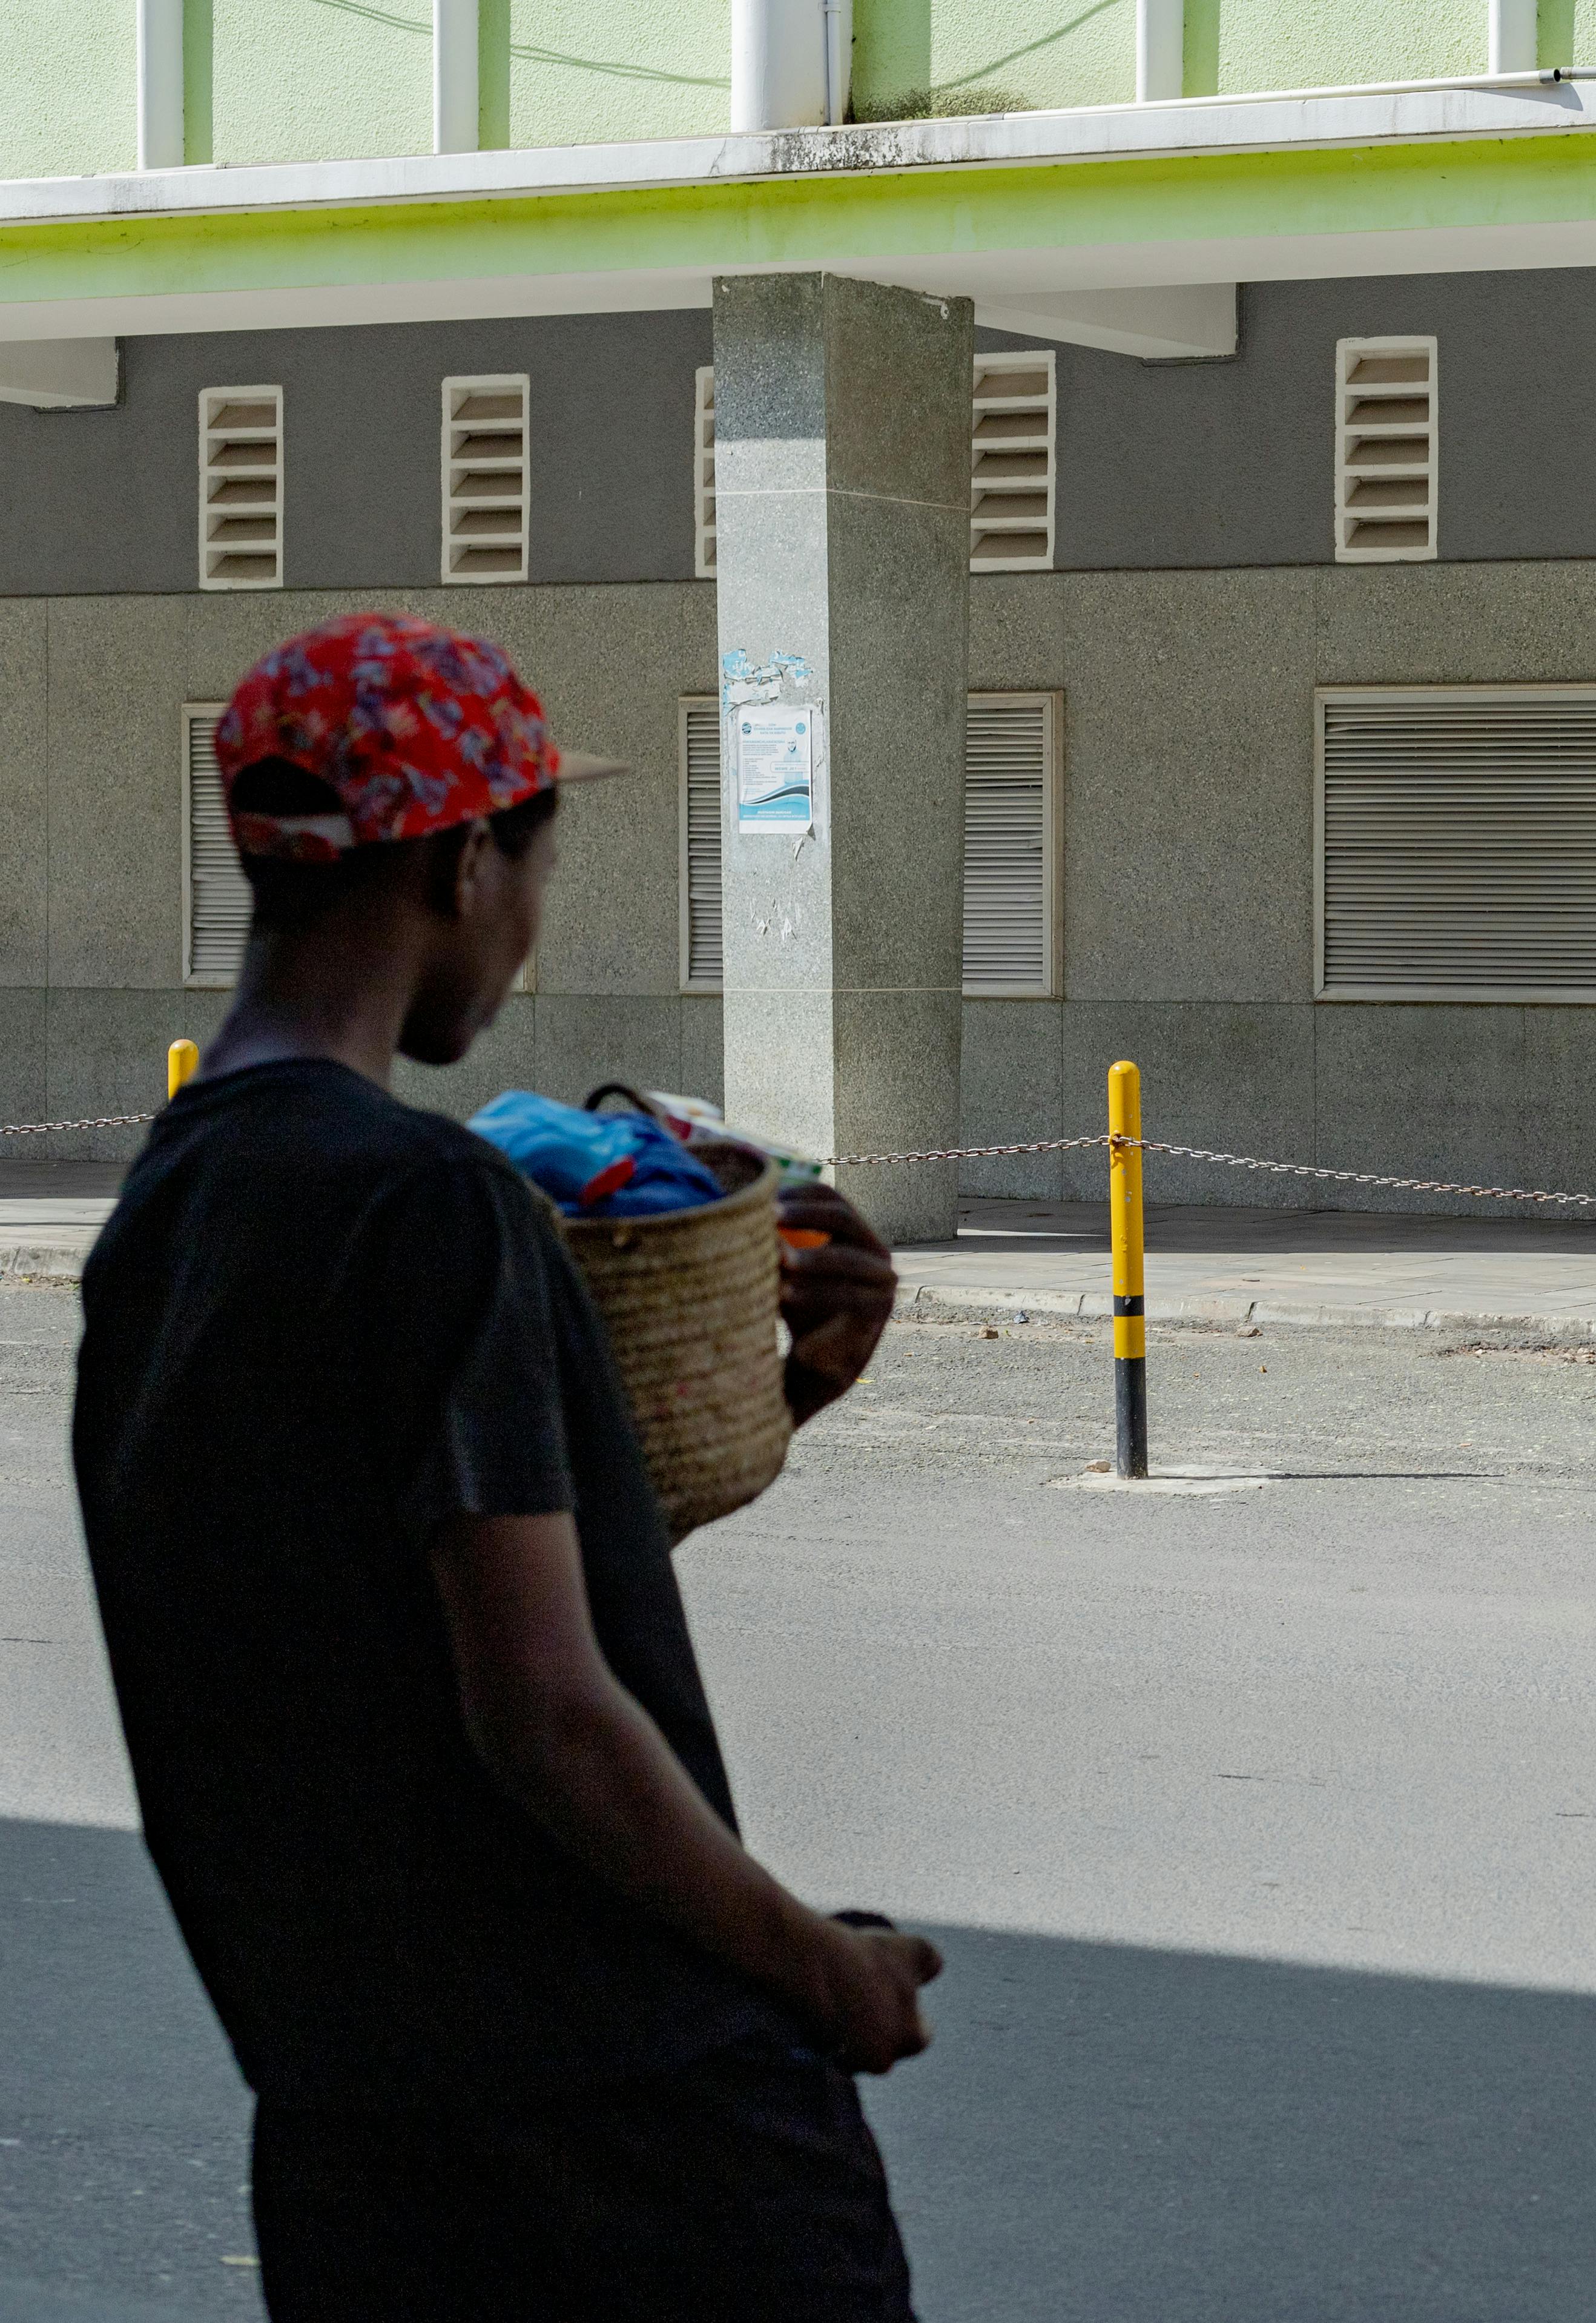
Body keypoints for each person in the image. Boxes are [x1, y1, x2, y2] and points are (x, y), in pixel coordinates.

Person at [70, 615, 937, 2319]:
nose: (531, 933)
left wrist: (780, 1399)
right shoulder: (430, 1196)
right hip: (628, 2134)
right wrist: (821, 1973)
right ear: (467, 862)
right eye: (535, 867)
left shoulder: (172, 1209)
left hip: (355, 2134)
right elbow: (540, 1710)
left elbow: (377, 1605)